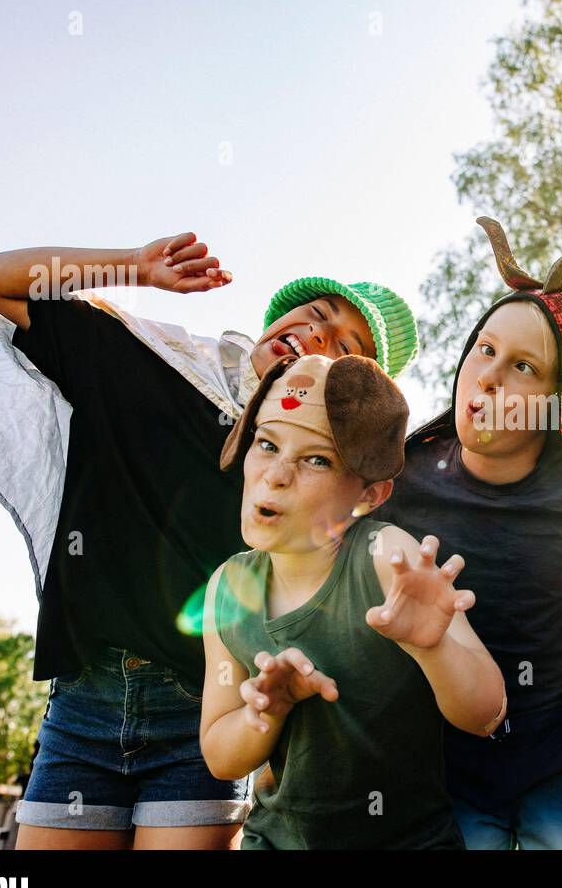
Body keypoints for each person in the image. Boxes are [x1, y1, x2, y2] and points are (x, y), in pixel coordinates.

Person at [0, 233, 417, 849]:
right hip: (83, 701)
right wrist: (135, 267)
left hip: (204, 718)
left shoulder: (322, 483)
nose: (320, 336)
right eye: (319, 315)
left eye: (347, 348)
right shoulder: (156, 360)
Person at [377, 217, 562, 849]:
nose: (491, 376)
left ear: (561, 400)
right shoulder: (402, 476)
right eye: (485, 349)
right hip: (448, 764)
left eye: (524, 366)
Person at [200, 351, 505, 849]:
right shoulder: (225, 590)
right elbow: (220, 755)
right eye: (266, 444)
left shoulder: (387, 557)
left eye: (316, 459)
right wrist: (267, 711)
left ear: (370, 496)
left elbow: (487, 713)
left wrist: (433, 649)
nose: (275, 474)